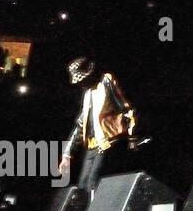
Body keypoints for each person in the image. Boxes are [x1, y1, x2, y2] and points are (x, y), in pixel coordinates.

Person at [57, 57, 141, 193]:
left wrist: (132, 137)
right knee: (82, 186)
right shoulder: (88, 93)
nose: (81, 84)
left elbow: (127, 110)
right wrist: (67, 155)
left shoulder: (106, 82)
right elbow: (80, 125)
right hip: (92, 145)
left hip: (108, 142)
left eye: (83, 80)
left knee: (93, 184)